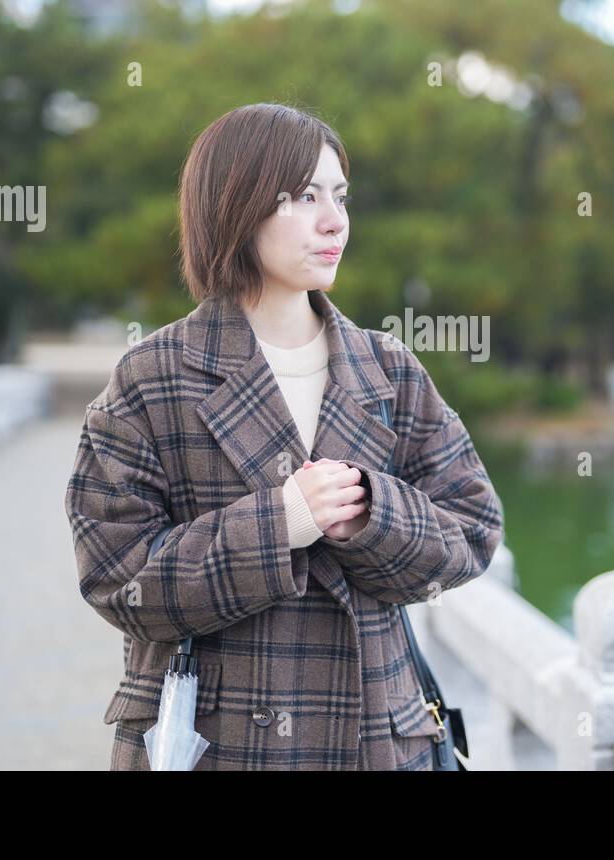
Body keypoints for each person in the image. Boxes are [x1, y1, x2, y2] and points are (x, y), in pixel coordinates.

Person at [64, 102, 505, 770]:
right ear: (236, 206)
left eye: (340, 195)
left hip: (375, 743)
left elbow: (472, 528)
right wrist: (280, 523)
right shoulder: (153, 377)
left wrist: (371, 512)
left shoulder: (387, 368)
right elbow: (115, 577)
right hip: (215, 743)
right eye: (303, 196)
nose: (335, 220)